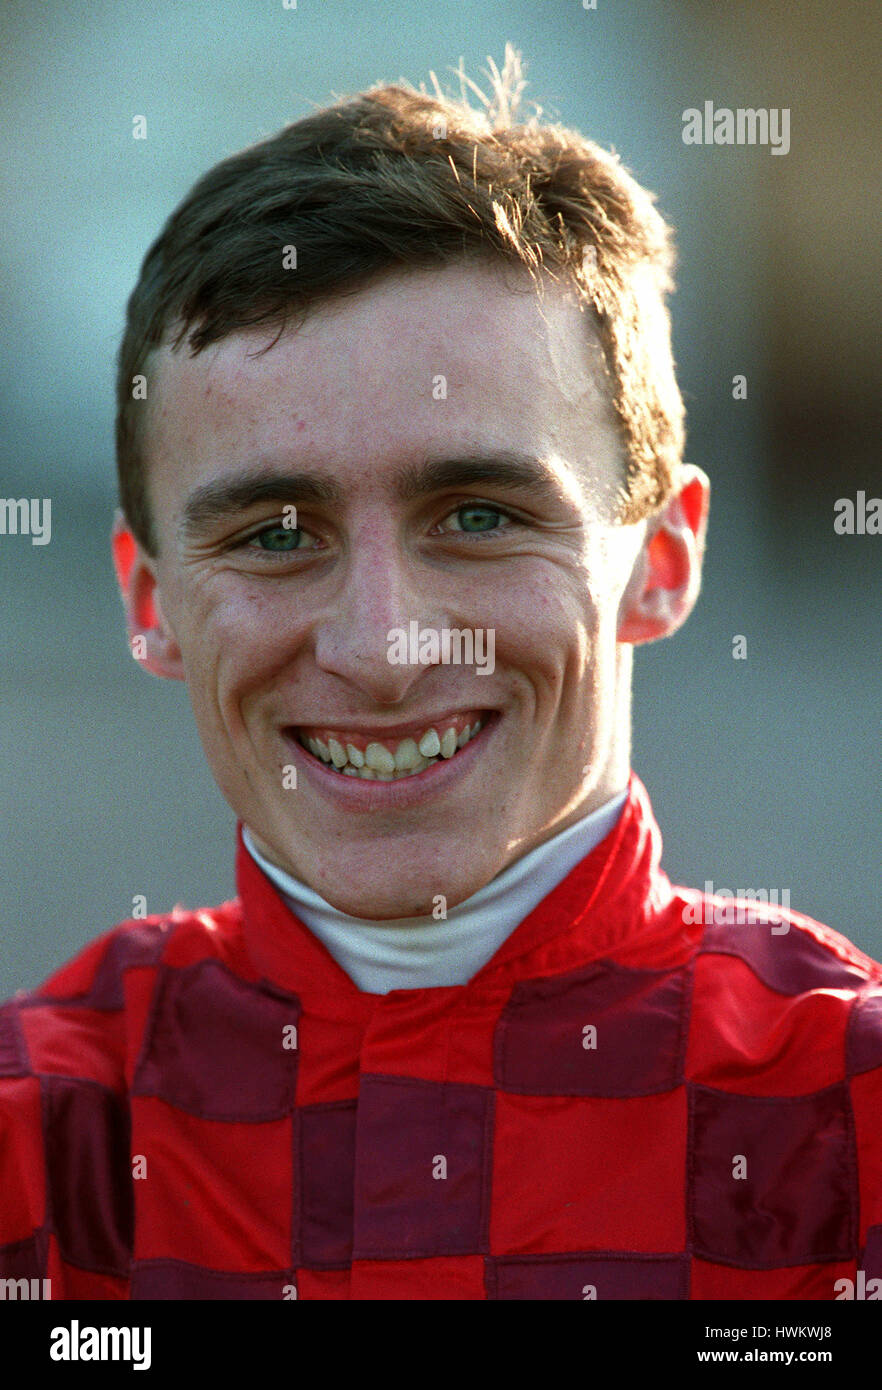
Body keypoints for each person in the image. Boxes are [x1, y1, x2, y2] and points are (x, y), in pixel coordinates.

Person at [1, 52, 880, 1302]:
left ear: (664, 560)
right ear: (155, 607)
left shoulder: (857, 1121)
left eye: (477, 515)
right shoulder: (35, 1147)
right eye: (274, 534)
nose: (380, 646)